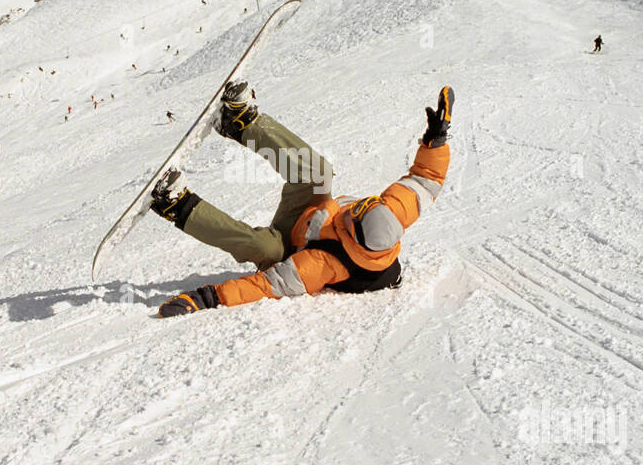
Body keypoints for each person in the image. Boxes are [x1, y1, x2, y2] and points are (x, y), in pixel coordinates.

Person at [150, 82, 454, 317]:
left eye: (352, 215)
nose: (350, 209)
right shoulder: (392, 212)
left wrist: (207, 298)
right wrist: (436, 140)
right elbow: (426, 180)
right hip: (308, 216)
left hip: (292, 248)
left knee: (263, 246)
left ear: (354, 234)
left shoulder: (322, 263)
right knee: (320, 173)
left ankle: (176, 204)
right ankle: (241, 122)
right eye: (364, 204)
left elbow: (267, 286)